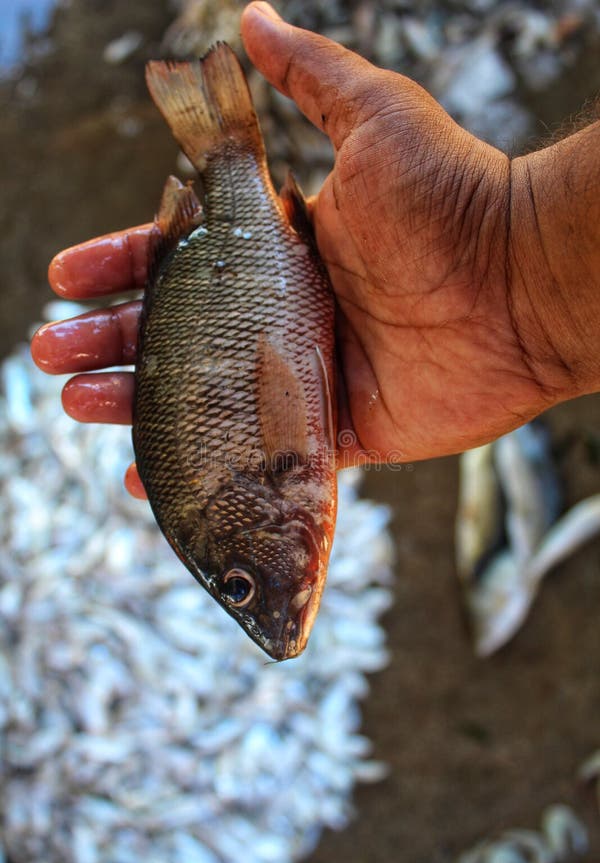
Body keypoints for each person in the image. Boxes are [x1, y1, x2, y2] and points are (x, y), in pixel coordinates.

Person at [30, 1, 600, 500]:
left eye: (243, 587)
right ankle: (226, 155)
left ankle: (227, 157)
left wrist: (509, 241)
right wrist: (520, 252)